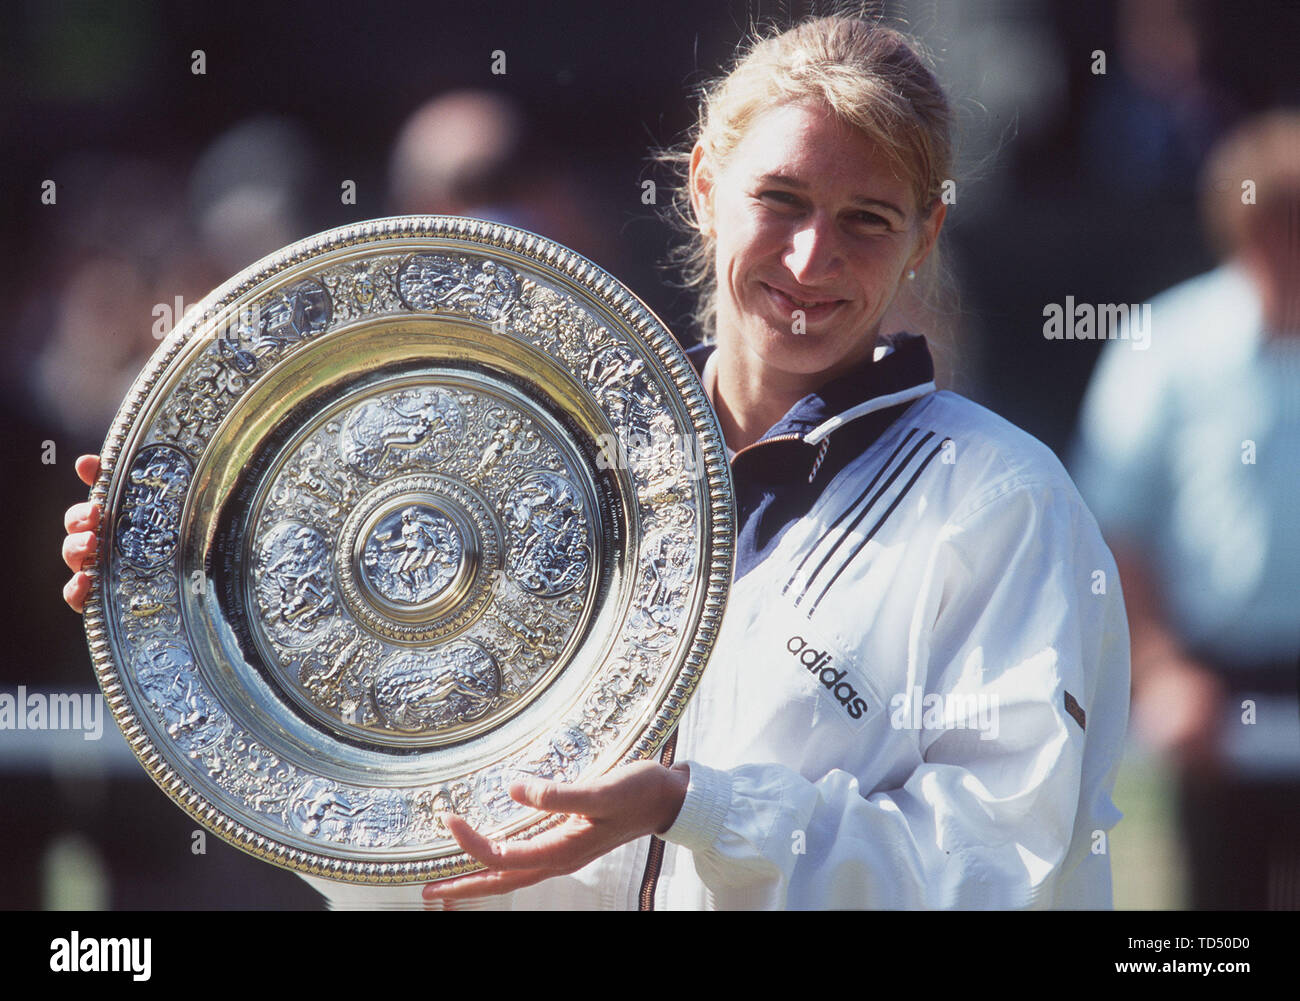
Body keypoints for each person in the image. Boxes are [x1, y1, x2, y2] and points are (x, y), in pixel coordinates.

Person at [63, 15, 1130, 910]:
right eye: (781, 200)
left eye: (867, 219)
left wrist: (695, 805)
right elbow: (391, 831)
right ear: (707, 184)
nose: (812, 258)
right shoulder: (568, 468)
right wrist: (186, 597)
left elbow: (1000, 869)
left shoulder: (998, 500)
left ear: (926, 233)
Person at [1070, 111, 1300, 909]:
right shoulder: (1164, 344)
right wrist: (1165, 670)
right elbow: (1115, 524)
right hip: (1212, 689)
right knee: (1216, 933)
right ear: (1244, 224)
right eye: (1276, 220)